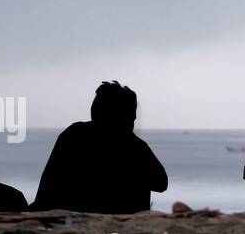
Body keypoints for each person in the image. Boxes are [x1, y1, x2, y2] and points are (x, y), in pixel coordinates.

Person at [32, 81, 167, 213]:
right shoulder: (135, 147)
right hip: (118, 219)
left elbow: (47, 188)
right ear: (124, 116)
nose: (134, 120)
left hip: (70, 214)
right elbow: (161, 183)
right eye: (131, 116)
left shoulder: (74, 134)